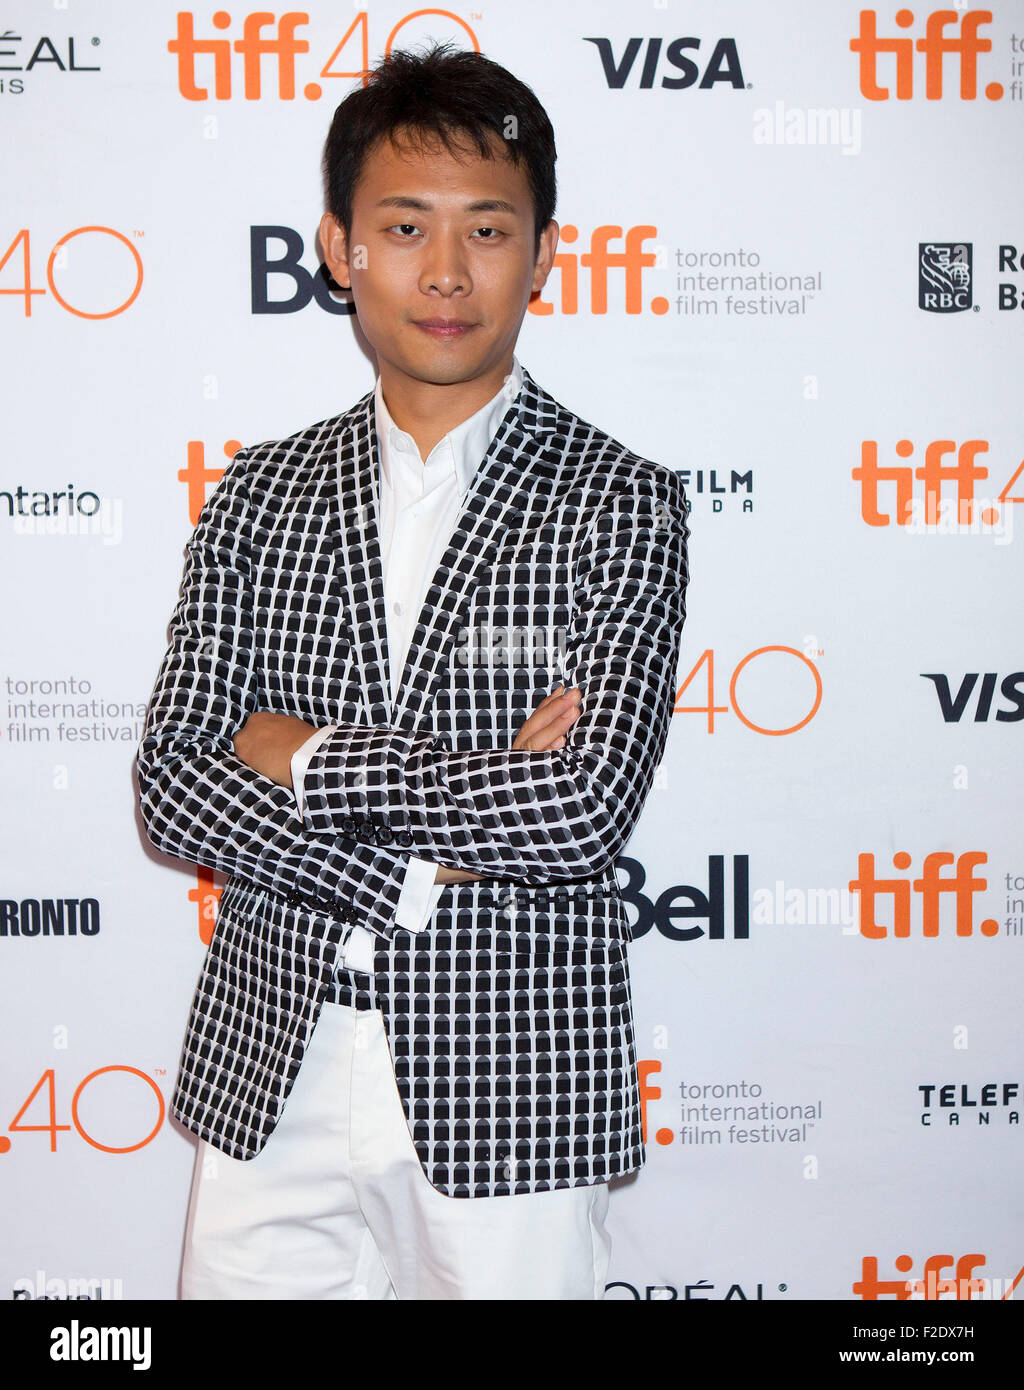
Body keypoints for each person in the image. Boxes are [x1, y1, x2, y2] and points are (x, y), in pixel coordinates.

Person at [136, 41, 689, 1301]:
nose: (446, 272)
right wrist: (416, 858)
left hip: (512, 1085)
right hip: (267, 1070)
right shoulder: (259, 492)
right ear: (341, 249)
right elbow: (173, 789)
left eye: (488, 229)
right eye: (405, 227)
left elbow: (580, 810)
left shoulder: (621, 502)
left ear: (545, 252)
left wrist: (309, 753)